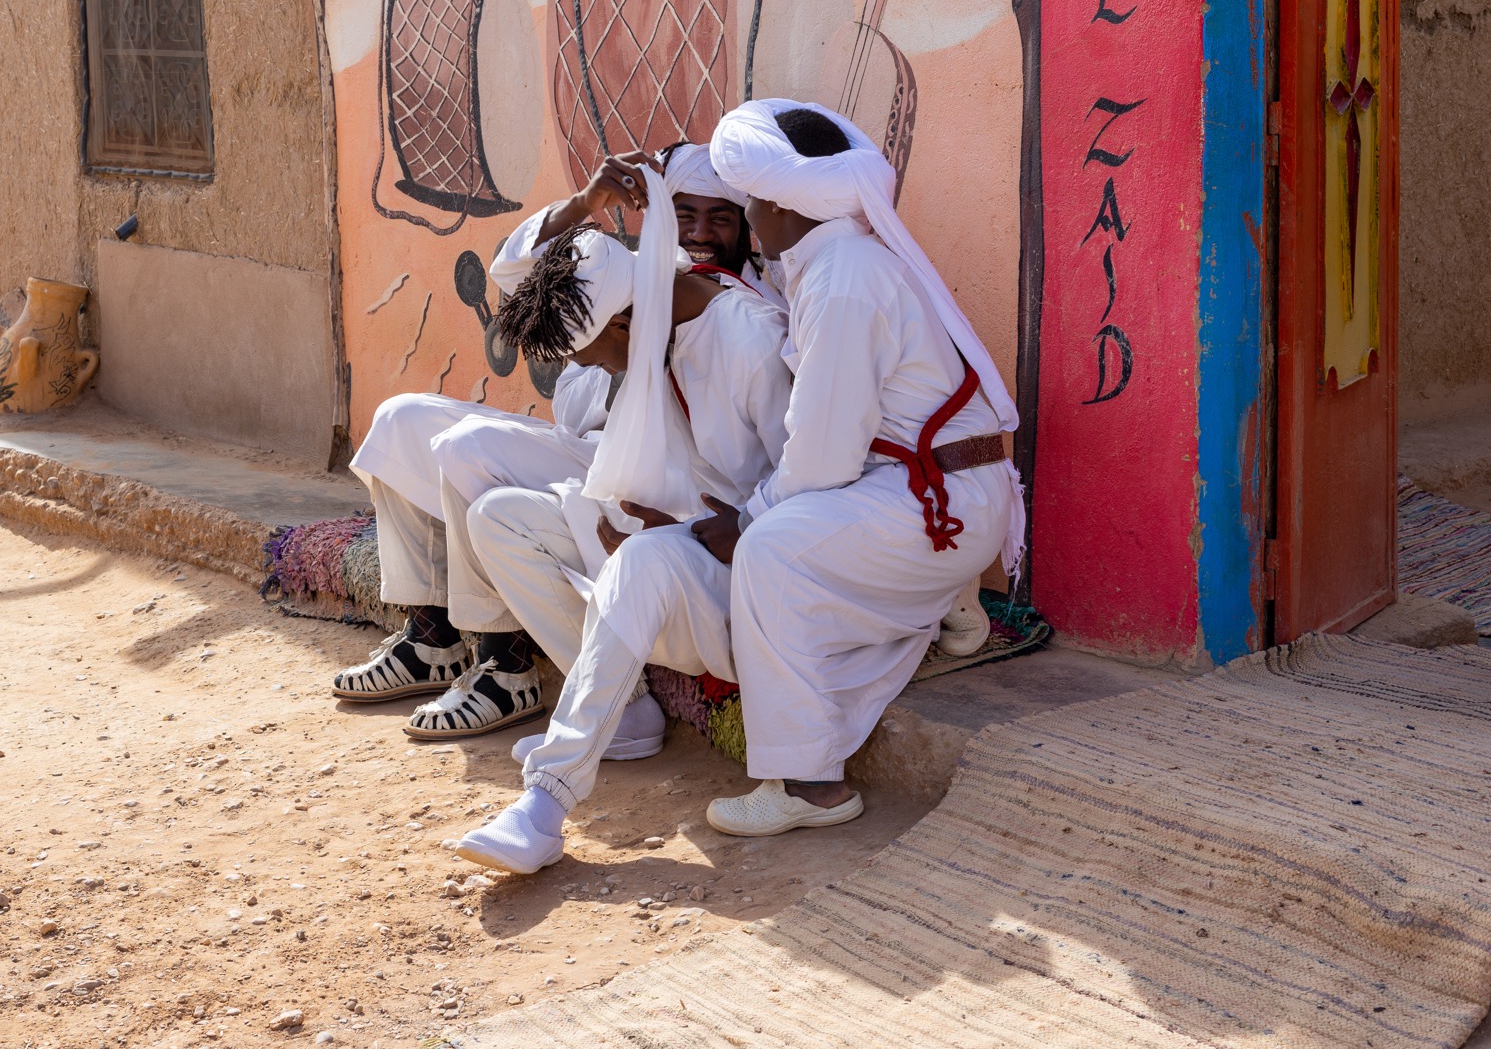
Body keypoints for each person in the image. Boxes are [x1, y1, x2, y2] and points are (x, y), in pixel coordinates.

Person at [338, 144, 762, 741]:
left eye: (719, 218)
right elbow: (517, 281)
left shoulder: (743, 314)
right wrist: (586, 204)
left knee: (468, 452)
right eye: (684, 213)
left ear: (749, 227)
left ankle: (505, 668)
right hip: (581, 448)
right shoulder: (630, 272)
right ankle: (432, 642)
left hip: (652, 476)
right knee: (400, 418)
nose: (697, 232)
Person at [684, 99, 1024, 837]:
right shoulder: (834, 261)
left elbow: (826, 448)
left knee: (774, 552)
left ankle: (810, 789)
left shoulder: (842, 276)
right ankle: (944, 602)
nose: (747, 219)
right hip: (935, 492)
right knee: (789, 530)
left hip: (941, 501)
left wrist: (749, 522)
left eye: (748, 205)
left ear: (776, 206)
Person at [449, 160, 792, 874]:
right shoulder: (653, 301)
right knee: (498, 520)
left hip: (754, 589)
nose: (603, 371)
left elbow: (813, 489)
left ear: (629, 319)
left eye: (600, 355)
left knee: (637, 561)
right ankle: (623, 714)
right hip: (673, 548)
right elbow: (518, 275)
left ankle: (544, 802)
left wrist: (688, 529)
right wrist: (584, 204)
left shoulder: (750, 340)